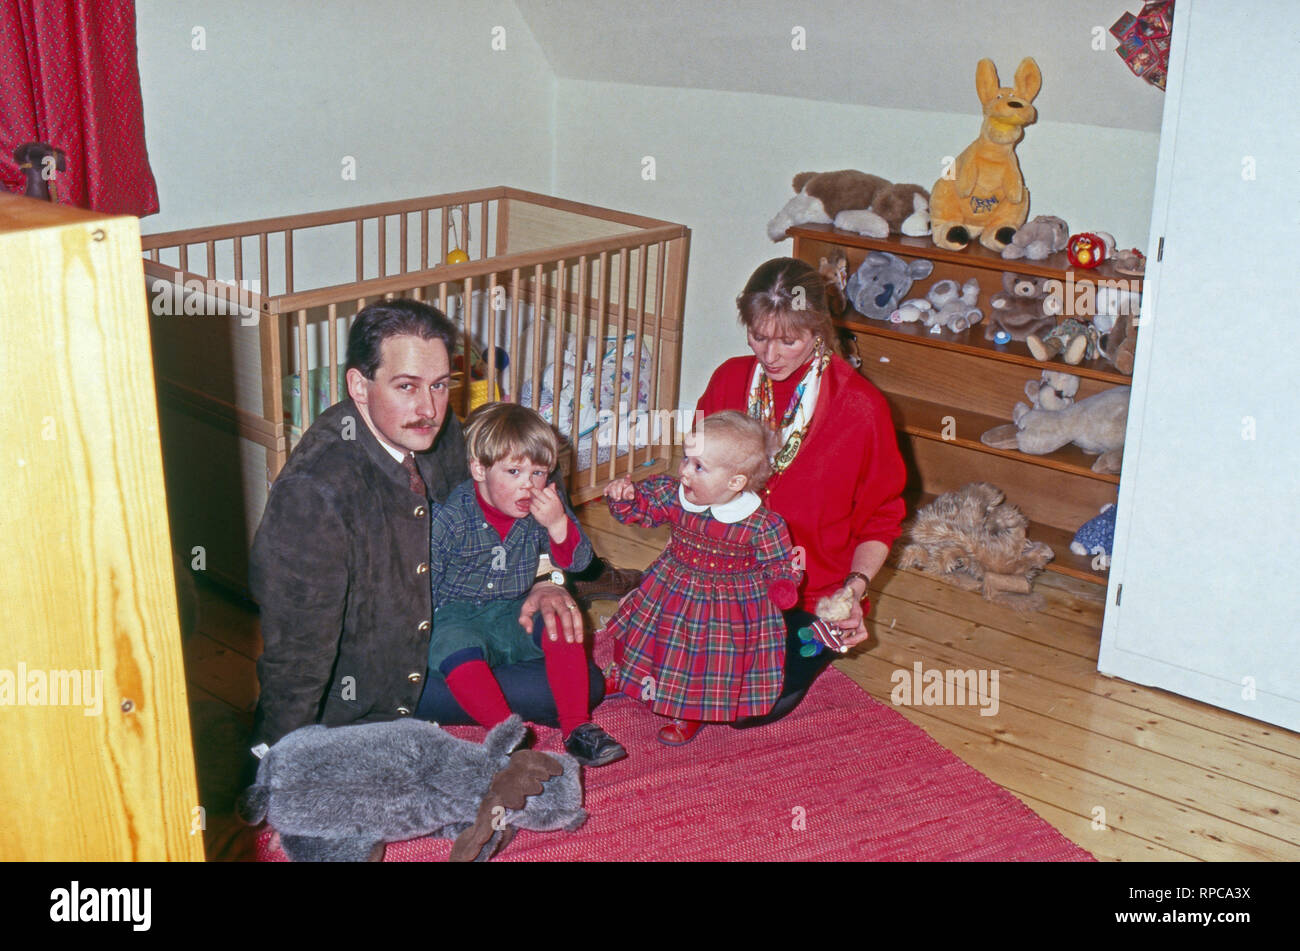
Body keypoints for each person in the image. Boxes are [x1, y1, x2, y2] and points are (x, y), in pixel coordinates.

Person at [249, 299, 596, 750]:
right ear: (359, 385)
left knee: (583, 678)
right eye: (406, 386)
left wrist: (547, 578)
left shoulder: (435, 426)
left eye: (439, 385)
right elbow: (295, 654)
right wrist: (278, 756)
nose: (429, 407)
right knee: (555, 684)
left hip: (468, 618)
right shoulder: (313, 492)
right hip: (383, 680)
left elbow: (522, 477)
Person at [694, 257, 908, 727]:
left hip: (813, 597)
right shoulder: (728, 380)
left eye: (788, 340)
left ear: (818, 330)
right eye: (758, 337)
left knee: (749, 706)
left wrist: (854, 589)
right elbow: (695, 481)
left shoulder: (861, 408)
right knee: (672, 667)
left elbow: (882, 516)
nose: (770, 355)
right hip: (724, 580)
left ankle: (815, 641)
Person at [426, 402, 626, 766]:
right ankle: (508, 737)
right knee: (455, 648)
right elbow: (426, 583)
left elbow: (580, 563)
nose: (528, 485)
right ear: (479, 469)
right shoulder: (451, 517)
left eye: (538, 473)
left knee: (560, 620)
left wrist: (558, 525)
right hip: (456, 614)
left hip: (513, 608)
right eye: (514, 471)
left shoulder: (545, 504)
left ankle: (578, 728)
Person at [601, 411, 801, 746]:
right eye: (685, 458)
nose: (683, 471)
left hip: (725, 603)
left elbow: (780, 561)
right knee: (645, 633)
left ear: (735, 482)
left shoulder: (761, 524)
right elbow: (645, 509)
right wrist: (627, 499)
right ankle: (626, 675)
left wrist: (782, 584)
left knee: (701, 656)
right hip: (671, 581)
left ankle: (691, 709)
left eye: (698, 466)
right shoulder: (674, 495)